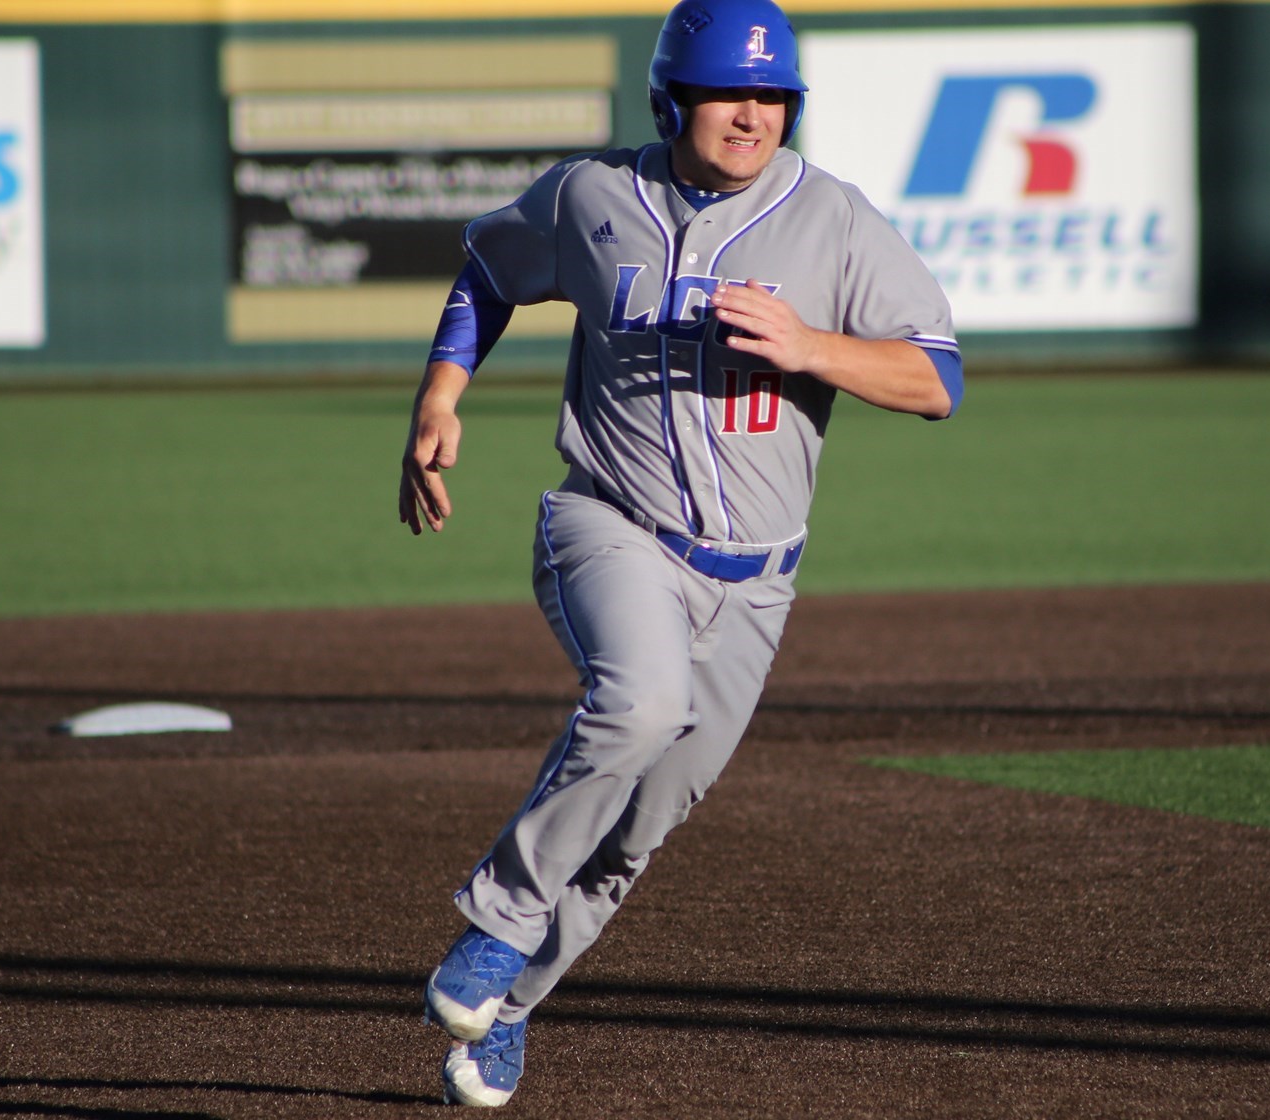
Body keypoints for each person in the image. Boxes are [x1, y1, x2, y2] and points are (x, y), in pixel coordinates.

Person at [398, 0, 963, 1105]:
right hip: (608, 526)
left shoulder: (833, 222)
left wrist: (813, 347)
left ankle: (505, 1011)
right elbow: (488, 267)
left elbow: (935, 378)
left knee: (635, 833)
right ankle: (496, 921)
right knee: (640, 702)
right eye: (724, 94)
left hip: (756, 584)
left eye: (769, 96)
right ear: (671, 99)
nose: (749, 115)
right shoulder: (591, 195)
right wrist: (440, 390)